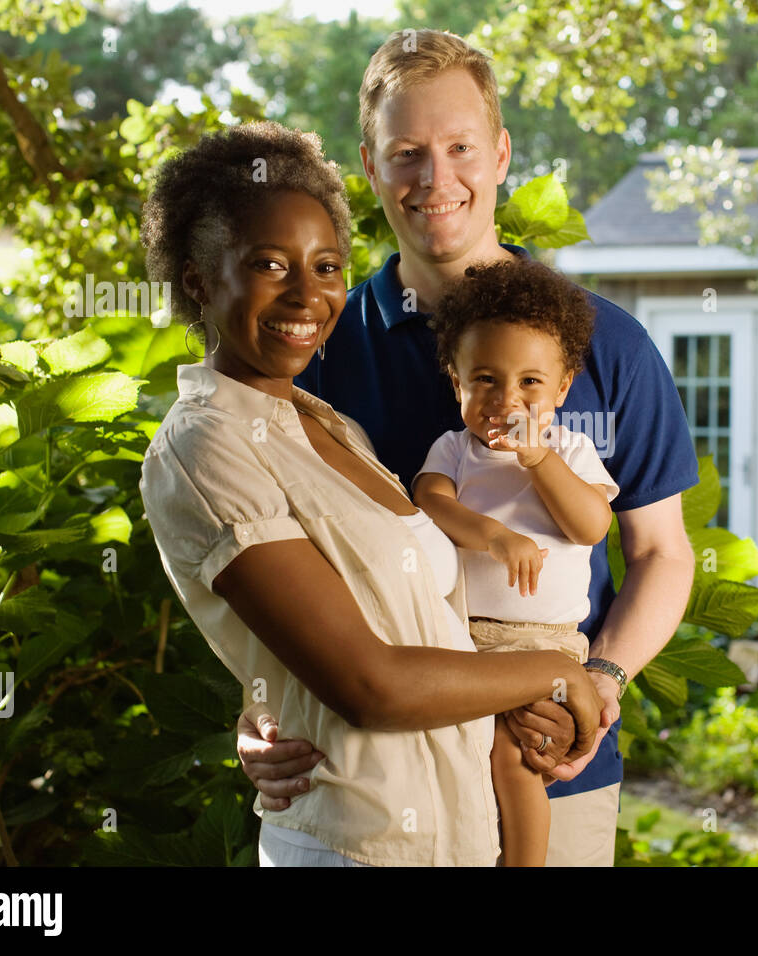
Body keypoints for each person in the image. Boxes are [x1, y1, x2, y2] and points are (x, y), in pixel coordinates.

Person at [237, 29, 699, 866]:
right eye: (406, 152)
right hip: (368, 784)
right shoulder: (319, 351)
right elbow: (265, 558)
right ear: (370, 169)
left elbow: (662, 553)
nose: (435, 178)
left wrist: (601, 681)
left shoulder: (610, 344)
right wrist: (260, 711)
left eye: (459, 147)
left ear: (501, 153)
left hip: (552, 766)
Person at [138, 120, 602, 866]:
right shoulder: (206, 443)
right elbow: (370, 684)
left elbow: (397, 625)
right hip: (359, 840)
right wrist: (553, 673)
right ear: (197, 278)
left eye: (326, 266)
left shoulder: (329, 426)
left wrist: (270, 699)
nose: (306, 293)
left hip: (457, 833)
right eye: (267, 263)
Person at [413, 258, 619, 865]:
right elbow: (429, 501)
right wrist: (494, 536)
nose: (507, 400)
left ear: (562, 388)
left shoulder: (571, 450)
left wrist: (537, 460)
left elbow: (591, 524)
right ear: (457, 384)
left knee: (517, 755)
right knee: (454, 759)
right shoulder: (453, 450)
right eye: (485, 380)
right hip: (461, 642)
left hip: (543, 646)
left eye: (530, 383)